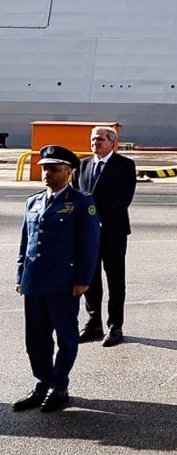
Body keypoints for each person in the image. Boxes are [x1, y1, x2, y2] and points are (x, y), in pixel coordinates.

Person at [13, 146, 100, 413]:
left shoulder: (82, 202)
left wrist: (83, 279)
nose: (46, 173)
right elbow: (25, 242)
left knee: (65, 336)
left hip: (64, 282)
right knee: (35, 338)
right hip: (35, 281)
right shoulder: (33, 201)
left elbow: (89, 245)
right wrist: (20, 274)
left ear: (68, 171)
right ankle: (42, 381)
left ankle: (59, 385)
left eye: (53, 168)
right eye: (44, 168)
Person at [78, 126, 137, 347]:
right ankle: (93, 323)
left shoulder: (125, 165)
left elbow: (124, 198)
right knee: (90, 278)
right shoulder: (82, 165)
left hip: (113, 231)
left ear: (112, 142)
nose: (96, 143)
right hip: (87, 233)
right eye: (93, 139)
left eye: (100, 139)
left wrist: (98, 219)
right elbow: (77, 196)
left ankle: (115, 326)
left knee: (115, 280)